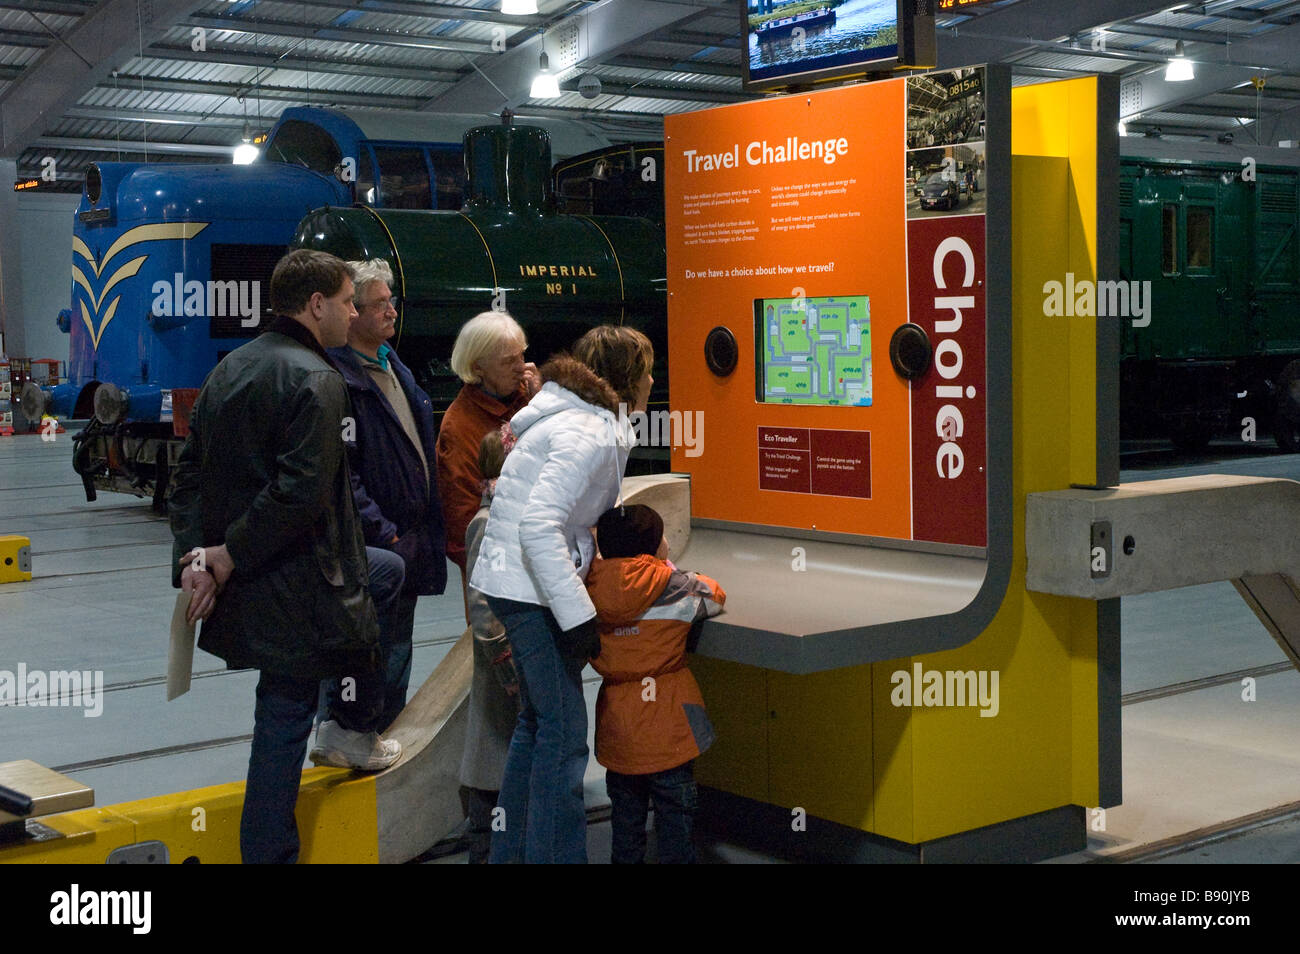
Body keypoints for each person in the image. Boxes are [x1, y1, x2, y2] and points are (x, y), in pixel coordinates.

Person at [169, 249, 399, 865]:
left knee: (389, 574)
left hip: (253, 578)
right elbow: (299, 493)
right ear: (316, 304)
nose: (355, 314)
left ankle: (350, 723)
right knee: (283, 718)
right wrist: (223, 555)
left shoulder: (230, 368)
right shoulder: (317, 379)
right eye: (350, 302)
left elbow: (187, 474)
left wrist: (196, 559)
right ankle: (271, 852)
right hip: (300, 582)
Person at [469, 324, 654, 864]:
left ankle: (514, 853)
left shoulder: (580, 420)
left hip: (517, 582)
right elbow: (539, 526)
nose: (651, 379)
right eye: (645, 369)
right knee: (566, 733)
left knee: (538, 723)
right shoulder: (589, 433)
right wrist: (578, 617)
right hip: (530, 590)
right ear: (625, 378)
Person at [323, 259, 447, 732]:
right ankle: (351, 743)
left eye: (391, 301)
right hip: (374, 550)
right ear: (352, 313)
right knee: (359, 658)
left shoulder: (393, 365)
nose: (391, 311)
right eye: (379, 304)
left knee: (396, 655)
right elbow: (343, 473)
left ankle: (386, 747)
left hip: (406, 543)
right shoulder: (341, 379)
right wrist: (385, 534)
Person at [586, 504, 725, 864]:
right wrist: (669, 570)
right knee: (675, 825)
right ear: (652, 548)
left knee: (626, 825)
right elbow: (714, 594)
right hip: (670, 732)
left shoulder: (585, 589)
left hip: (619, 732)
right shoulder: (671, 587)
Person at [436, 311, 539, 583]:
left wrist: (545, 403)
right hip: (495, 566)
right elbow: (462, 523)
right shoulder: (459, 426)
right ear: (477, 367)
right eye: (508, 361)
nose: (522, 367)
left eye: (521, 355)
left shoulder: (533, 399)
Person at [457, 427, 520, 863]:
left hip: (515, 661)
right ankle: (484, 846)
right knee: (490, 757)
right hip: (502, 667)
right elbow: (482, 609)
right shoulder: (486, 524)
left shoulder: (511, 516)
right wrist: (507, 665)